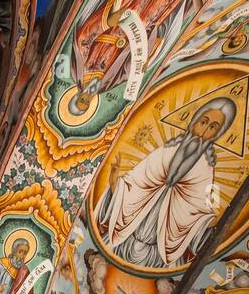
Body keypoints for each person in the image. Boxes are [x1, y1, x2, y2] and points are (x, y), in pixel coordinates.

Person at [95, 98, 237, 268]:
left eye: (213, 127)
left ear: (216, 135)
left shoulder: (205, 169)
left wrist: (206, 220)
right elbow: (136, 183)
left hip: (157, 253)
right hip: (127, 239)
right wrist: (115, 183)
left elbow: (198, 209)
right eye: (203, 122)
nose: (204, 130)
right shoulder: (167, 150)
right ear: (194, 122)